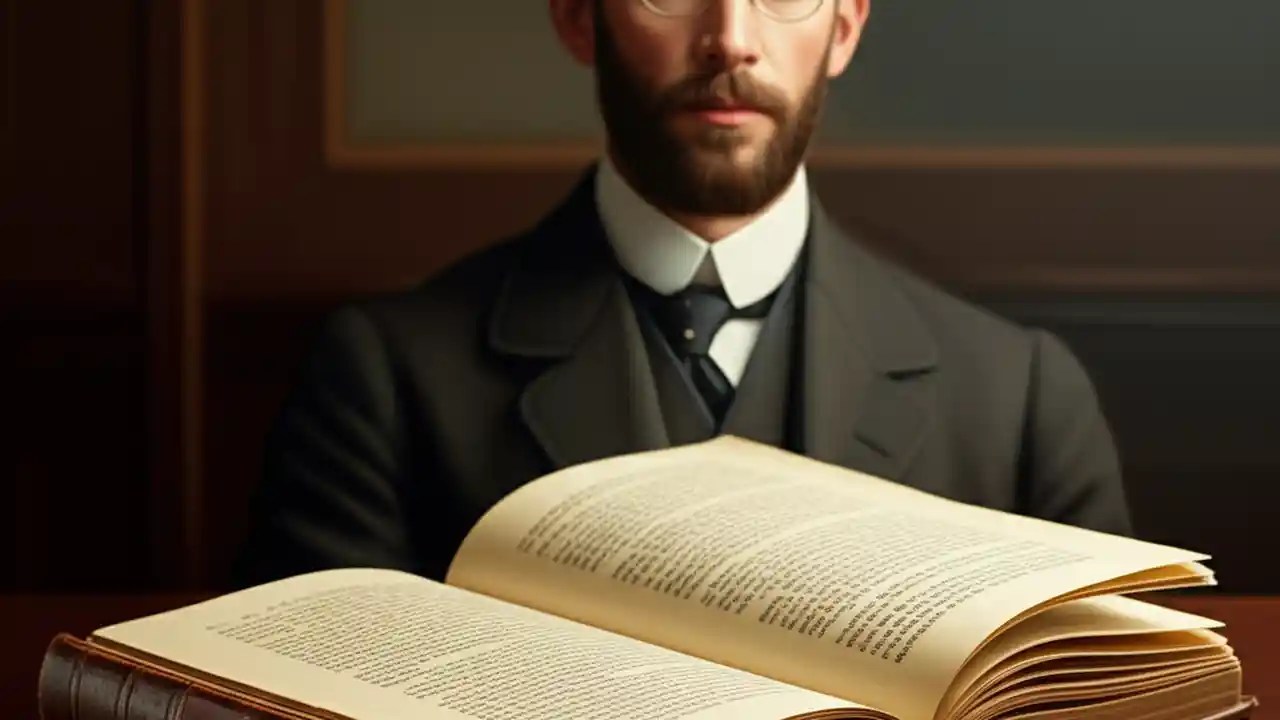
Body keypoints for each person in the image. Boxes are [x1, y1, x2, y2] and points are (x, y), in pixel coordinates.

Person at [234, 0, 1132, 587]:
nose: (730, 36)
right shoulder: (383, 383)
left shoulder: (1021, 402)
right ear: (578, 18)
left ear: (848, 26)